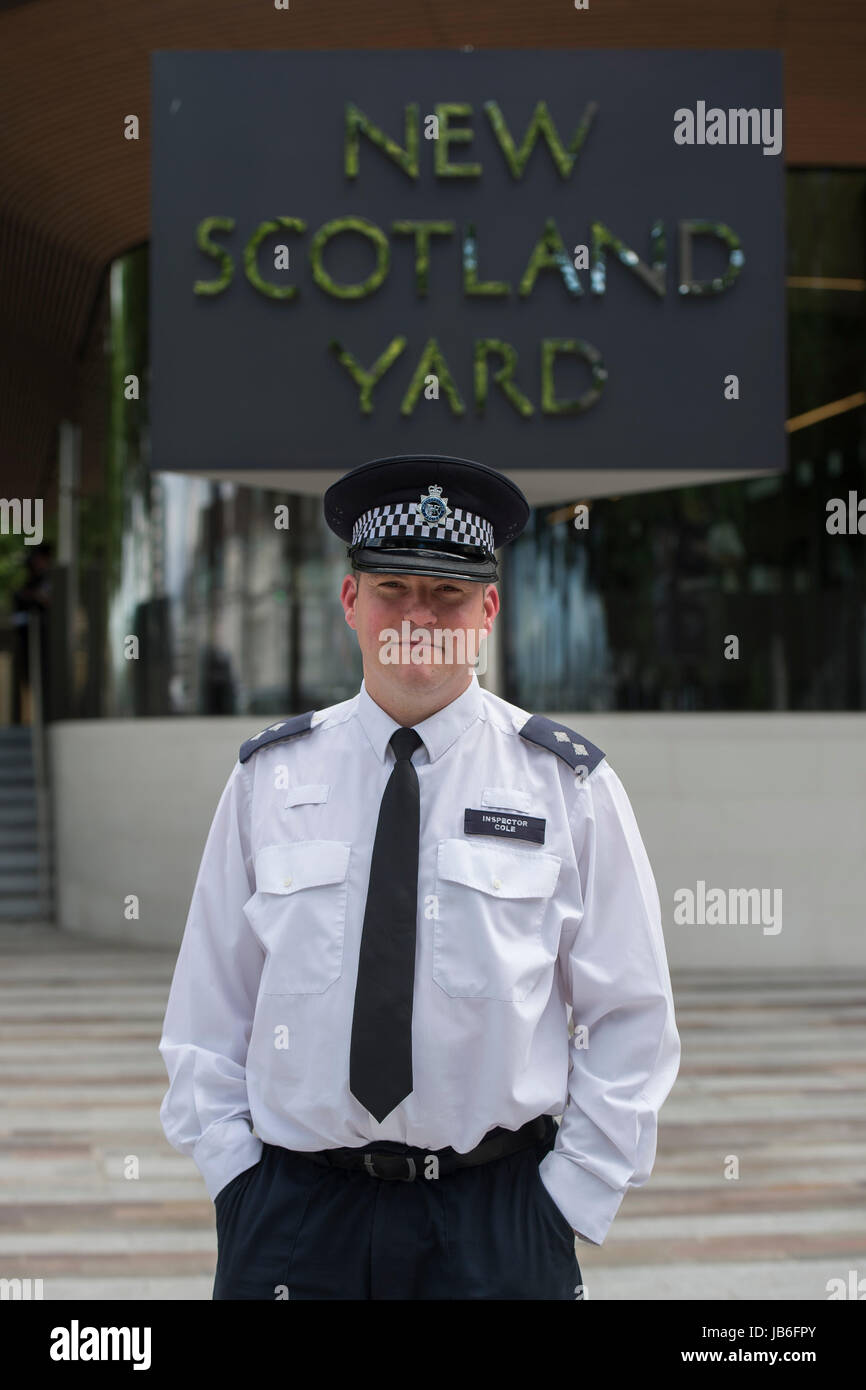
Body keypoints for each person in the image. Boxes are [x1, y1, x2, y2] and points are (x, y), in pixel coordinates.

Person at [158, 452, 680, 1300]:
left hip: (496, 1221)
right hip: (295, 1218)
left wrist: (569, 1200)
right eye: (393, 588)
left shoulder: (567, 787)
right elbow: (208, 1008)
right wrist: (236, 1183)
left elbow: (630, 1012)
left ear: (489, 610)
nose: (418, 615)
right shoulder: (269, 780)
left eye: (448, 593)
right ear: (350, 600)